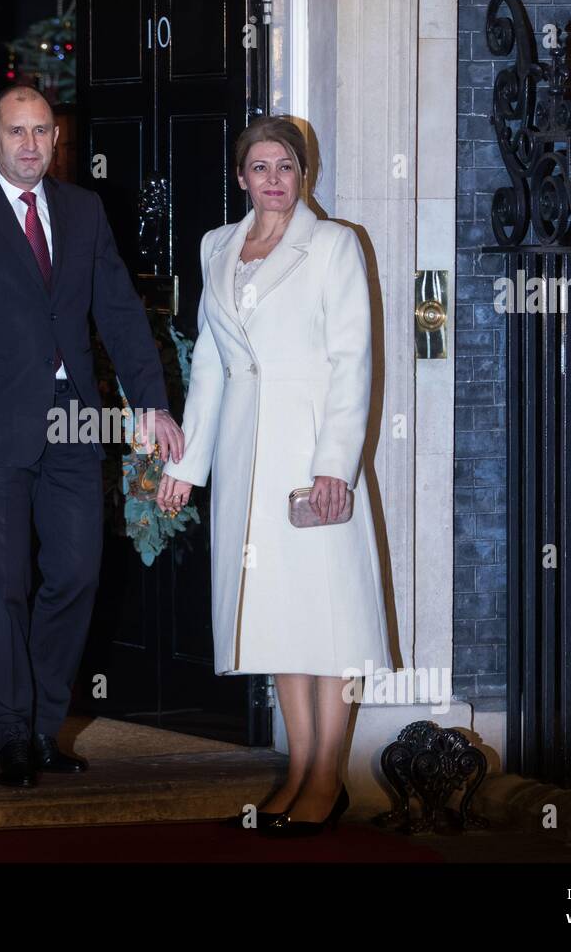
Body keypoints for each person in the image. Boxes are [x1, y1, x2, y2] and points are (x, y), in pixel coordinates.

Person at [0, 84, 184, 787]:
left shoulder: (83, 210)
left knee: (76, 573)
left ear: (56, 138)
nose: (30, 144)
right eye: (16, 132)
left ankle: (42, 725)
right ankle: (9, 732)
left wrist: (150, 403)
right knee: (2, 584)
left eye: (42, 131)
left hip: (75, 420)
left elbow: (120, 311)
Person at [157, 117, 393, 836]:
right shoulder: (216, 247)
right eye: (259, 168)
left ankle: (329, 774)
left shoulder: (334, 245)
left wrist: (334, 466)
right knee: (281, 616)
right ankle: (296, 768)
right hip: (243, 456)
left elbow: (354, 362)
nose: (272, 180)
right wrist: (187, 465)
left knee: (333, 614)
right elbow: (209, 365)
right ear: (241, 177)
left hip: (311, 453)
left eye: (285, 166)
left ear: (304, 174)